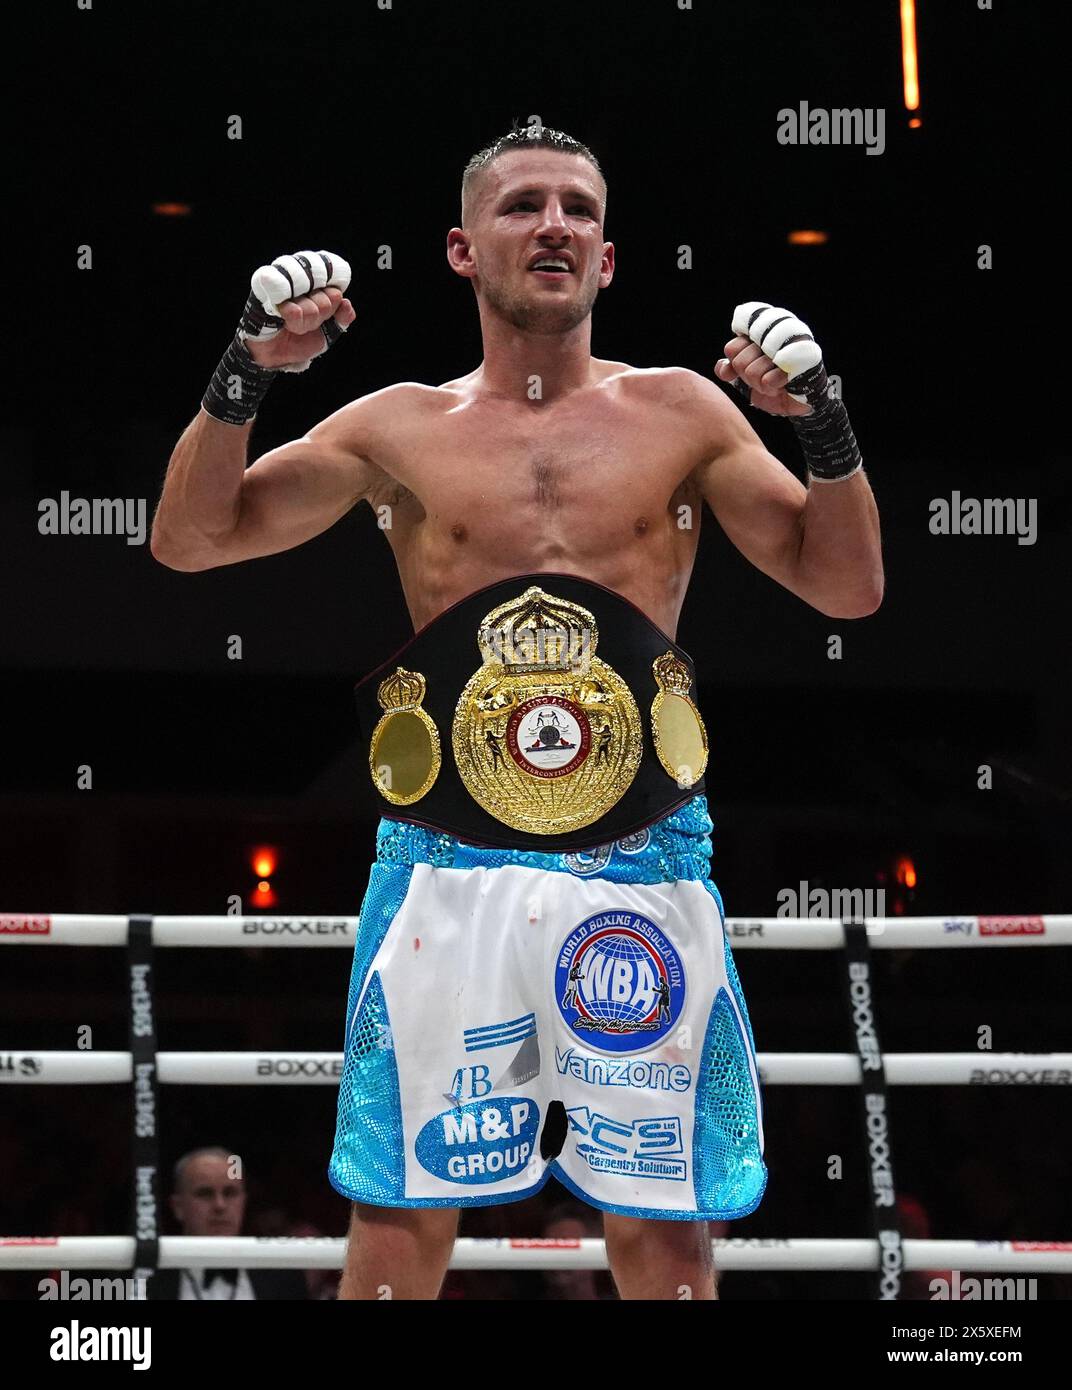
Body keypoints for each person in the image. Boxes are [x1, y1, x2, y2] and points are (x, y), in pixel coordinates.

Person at [151, 124, 883, 1300]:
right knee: (400, 1219)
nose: (554, 224)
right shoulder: (395, 425)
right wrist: (249, 366)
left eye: (579, 210)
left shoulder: (685, 414)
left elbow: (845, 585)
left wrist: (824, 420)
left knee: (664, 1227)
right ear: (460, 248)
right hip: (447, 859)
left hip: (641, 857)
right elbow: (191, 539)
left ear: (606, 259)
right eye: (523, 205)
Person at [147, 1147, 307, 1300]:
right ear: (178, 1207)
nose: (220, 1205)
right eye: (205, 1194)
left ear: (244, 1201)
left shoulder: (283, 1277)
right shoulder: (146, 1278)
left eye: (230, 1193)